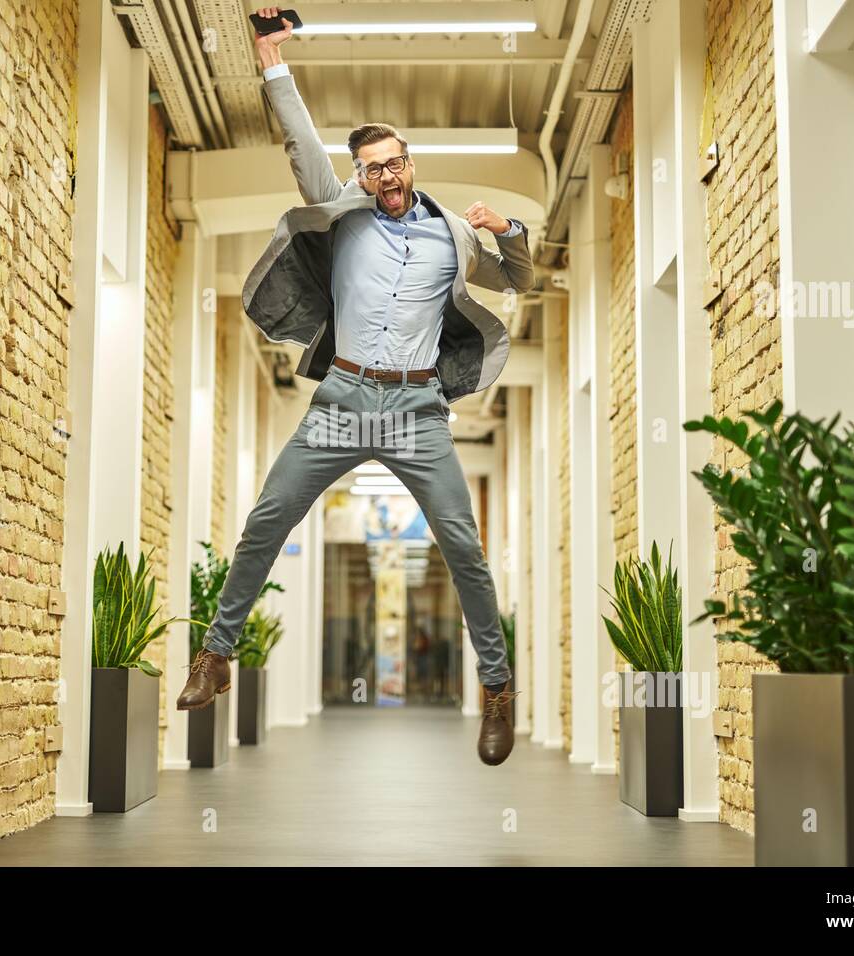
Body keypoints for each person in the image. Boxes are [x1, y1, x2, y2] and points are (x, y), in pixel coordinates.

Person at [176, 7, 531, 766]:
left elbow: (520, 279)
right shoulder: (345, 216)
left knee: (464, 546)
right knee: (266, 518)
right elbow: (301, 142)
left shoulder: (454, 237)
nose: (388, 176)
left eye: (396, 162)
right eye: (373, 168)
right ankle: (215, 655)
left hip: (414, 410)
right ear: (362, 175)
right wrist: (270, 57)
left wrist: (507, 230)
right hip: (342, 400)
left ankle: (497, 689)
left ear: (411, 161)